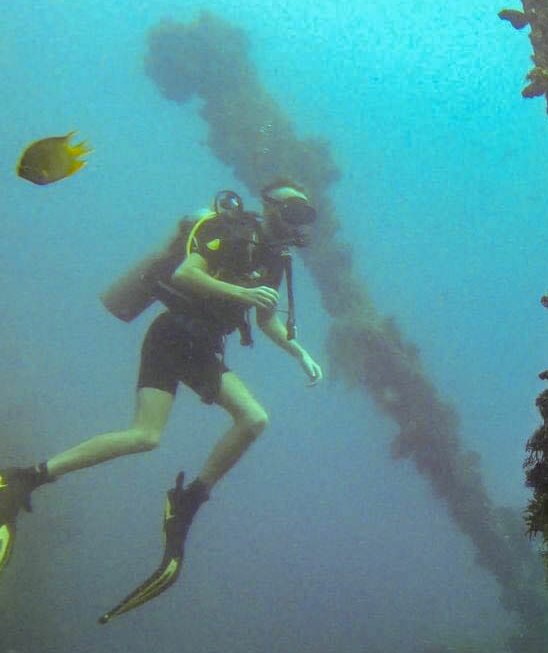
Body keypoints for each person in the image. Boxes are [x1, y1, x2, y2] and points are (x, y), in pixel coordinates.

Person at [0, 180, 323, 623]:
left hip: (203, 346)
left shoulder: (274, 259)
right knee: (148, 435)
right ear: (268, 207)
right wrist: (242, 294)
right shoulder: (229, 232)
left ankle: (186, 500)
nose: (296, 221)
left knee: (250, 420)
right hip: (173, 335)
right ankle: (24, 479)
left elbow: (266, 319)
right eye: (291, 210)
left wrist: (300, 352)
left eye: (304, 214)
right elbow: (185, 274)